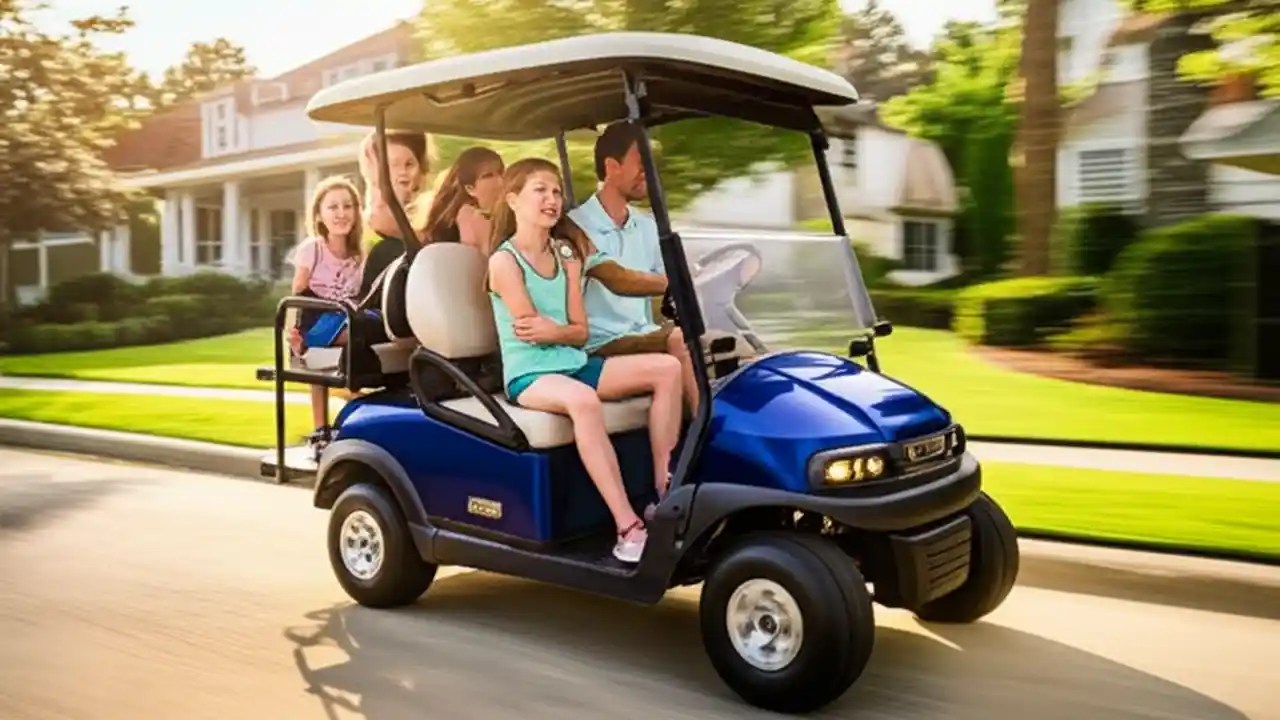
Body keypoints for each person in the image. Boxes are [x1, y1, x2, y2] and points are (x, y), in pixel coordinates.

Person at [486, 158, 684, 563]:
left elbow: (578, 330)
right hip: (531, 373)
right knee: (583, 401)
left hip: (573, 361)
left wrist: (571, 287)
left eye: (556, 191)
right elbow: (530, 331)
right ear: (513, 199)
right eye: (540, 190)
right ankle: (628, 527)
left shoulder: (566, 257)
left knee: (668, 369)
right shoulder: (504, 262)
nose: (552, 199)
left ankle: (668, 492)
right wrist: (559, 329)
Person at [568, 121, 698, 414]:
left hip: (642, 332)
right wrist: (679, 283)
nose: (648, 174)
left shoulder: (646, 225)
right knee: (681, 339)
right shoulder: (576, 228)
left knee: (731, 346)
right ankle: (709, 436)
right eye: (641, 164)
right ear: (612, 167)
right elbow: (625, 281)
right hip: (602, 341)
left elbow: (669, 279)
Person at [287, 176, 366, 456]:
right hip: (316, 318)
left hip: (344, 316)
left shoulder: (359, 254)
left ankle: (336, 421)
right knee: (360, 327)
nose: (341, 213)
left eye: (347, 206)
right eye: (333, 207)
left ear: (357, 212)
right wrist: (292, 336)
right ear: (319, 214)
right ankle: (338, 417)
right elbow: (296, 295)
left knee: (363, 322)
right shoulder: (313, 248)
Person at [356, 130, 433, 298]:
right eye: (394, 165)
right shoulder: (375, 215)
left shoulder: (428, 207)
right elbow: (380, 221)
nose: (403, 172)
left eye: (409, 164)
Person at [421, 146, 504, 251]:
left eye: (501, 172)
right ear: (470, 189)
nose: (500, 181)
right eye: (488, 176)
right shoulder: (467, 215)